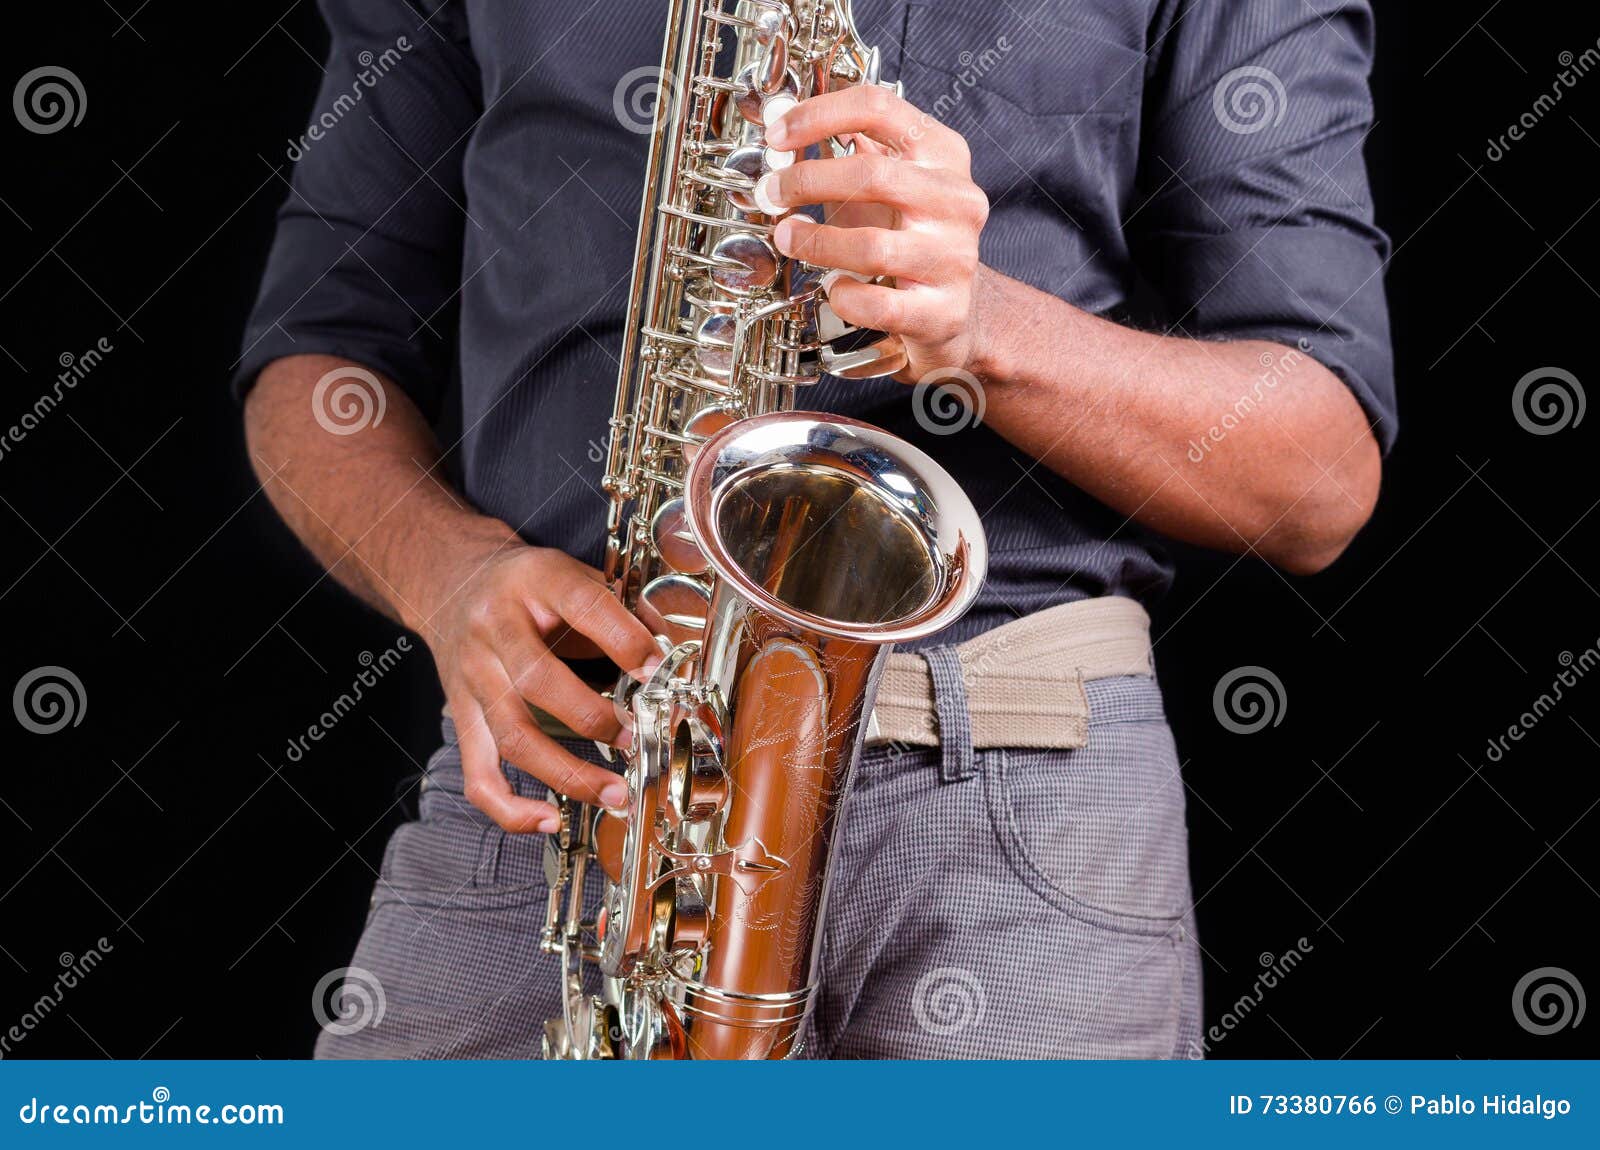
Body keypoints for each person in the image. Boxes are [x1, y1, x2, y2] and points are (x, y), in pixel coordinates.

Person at [236, 0, 1392, 1059]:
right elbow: (318, 356)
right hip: (571, 774)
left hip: (1024, 795)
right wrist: (446, 575)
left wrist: (982, 322)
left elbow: (1316, 473)